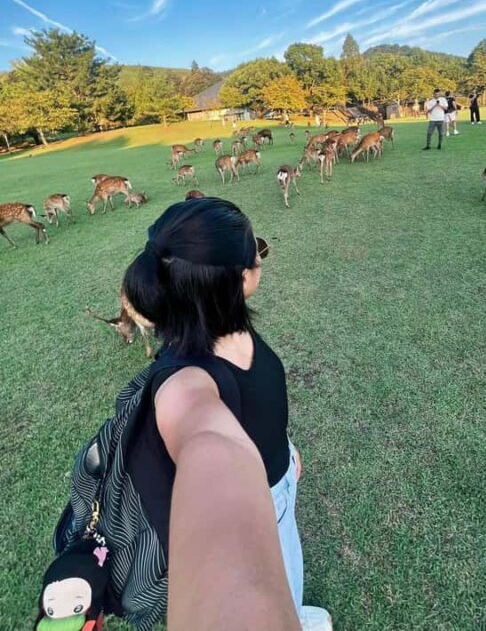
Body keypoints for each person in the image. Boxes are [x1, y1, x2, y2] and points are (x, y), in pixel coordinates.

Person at [122, 198, 332, 631]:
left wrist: (284, 450)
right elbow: (206, 439)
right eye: (258, 252)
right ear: (240, 279)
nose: (261, 258)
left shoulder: (219, 319)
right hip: (262, 494)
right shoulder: (184, 381)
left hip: (279, 475)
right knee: (281, 573)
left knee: (289, 563)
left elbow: (260, 401)